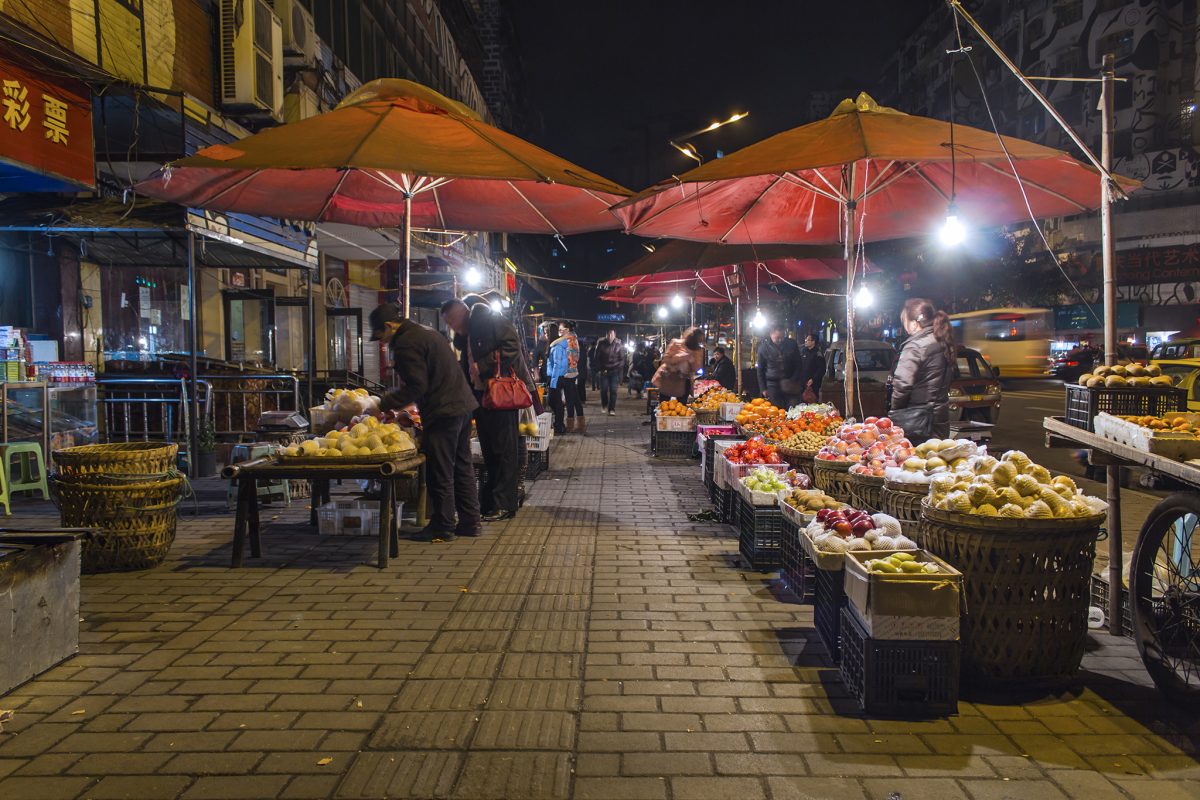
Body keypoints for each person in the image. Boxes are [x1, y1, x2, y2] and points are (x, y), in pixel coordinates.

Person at [370, 302, 480, 541]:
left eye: (382, 336)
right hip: (461, 406)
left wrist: (383, 404)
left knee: (440, 470)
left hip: (443, 411)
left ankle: (442, 526)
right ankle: (470, 522)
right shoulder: (426, 332)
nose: (383, 342)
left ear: (389, 326)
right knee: (462, 466)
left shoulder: (407, 343)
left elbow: (417, 386)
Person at [441, 296, 535, 523]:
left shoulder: (486, 317)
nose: (452, 326)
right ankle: (493, 502)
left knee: (504, 451)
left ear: (462, 311)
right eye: (448, 323)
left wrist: (483, 366)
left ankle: (505, 504)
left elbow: (511, 345)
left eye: (452, 320)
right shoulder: (469, 332)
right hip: (482, 397)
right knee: (491, 453)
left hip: (501, 395)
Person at [890, 297, 955, 440]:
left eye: (904, 321)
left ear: (914, 323)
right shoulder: (942, 340)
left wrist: (895, 412)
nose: (904, 326)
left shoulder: (915, 346)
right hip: (940, 418)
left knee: (915, 461)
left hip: (917, 422)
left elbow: (902, 385)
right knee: (936, 460)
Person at [653, 326, 705, 401]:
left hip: (684, 381)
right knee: (664, 404)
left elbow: (697, 368)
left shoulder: (697, 350)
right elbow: (665, 360)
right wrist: (680, 358)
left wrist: (693, 360)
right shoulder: (676, 343)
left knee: (681, 406)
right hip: (669, 378)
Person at [756, 324, 800, 408]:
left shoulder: (792, 344)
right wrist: (763, 388)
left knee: (792, 411)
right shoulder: (763, 348)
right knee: (776, 411)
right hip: (772, 385)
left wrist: (794, 379)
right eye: (777, 337)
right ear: (771, 334)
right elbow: (760, 370)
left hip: (791, 384)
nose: (780, 340)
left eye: (782, 337)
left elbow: (798, 365)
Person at [559, 321, 585, 433]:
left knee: (571, 399)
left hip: (569, 372)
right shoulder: (572, 338)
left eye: (561, 329)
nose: (559, 332)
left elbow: (570, 357)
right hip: (572, 372)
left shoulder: (569, 340)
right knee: (574, 398)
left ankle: (570, 426)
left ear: (567, 330)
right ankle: (579, 424)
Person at [594, 329, 627, 415]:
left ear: (614, 335)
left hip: (614, 371)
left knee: (613, 390)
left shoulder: (619, 345)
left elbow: (622, 359)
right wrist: (600, 368)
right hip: (604, 371)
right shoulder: (601, 344)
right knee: (603, 390)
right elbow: (597, 358)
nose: (610, 336)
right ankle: (604, 404)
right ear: (606, 335)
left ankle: (612, 409)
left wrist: (618, 368)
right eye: (608, 335)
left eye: (611, 335)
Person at [544, 322, 567, 434]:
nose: (545, 335)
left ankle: (559, 426)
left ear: (550, 333)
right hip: (555, 378)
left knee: (555, 402)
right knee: (554, 402)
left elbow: (557, 365)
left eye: (546, 333)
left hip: (556, 378)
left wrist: (553, 382)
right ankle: (559, 424)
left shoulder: (557, 346)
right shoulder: (554, 345)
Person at [795, 333, 826, 403]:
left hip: (813, 384)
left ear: (813, 342)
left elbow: (821, 369)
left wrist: (813, 379)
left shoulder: (818, 354)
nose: (805, 341)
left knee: (812, 402)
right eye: (806, 339)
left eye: (808, 340)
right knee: (801, 403)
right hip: (802, 383)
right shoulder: (803, 351)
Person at [576, 337, 590, 404]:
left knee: (580, 386)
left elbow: (580, 362)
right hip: (583, 371)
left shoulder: (580, 351)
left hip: (580, 371)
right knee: (581, 386)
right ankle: (582, 399)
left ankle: (581, 399)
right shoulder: (583, 351)